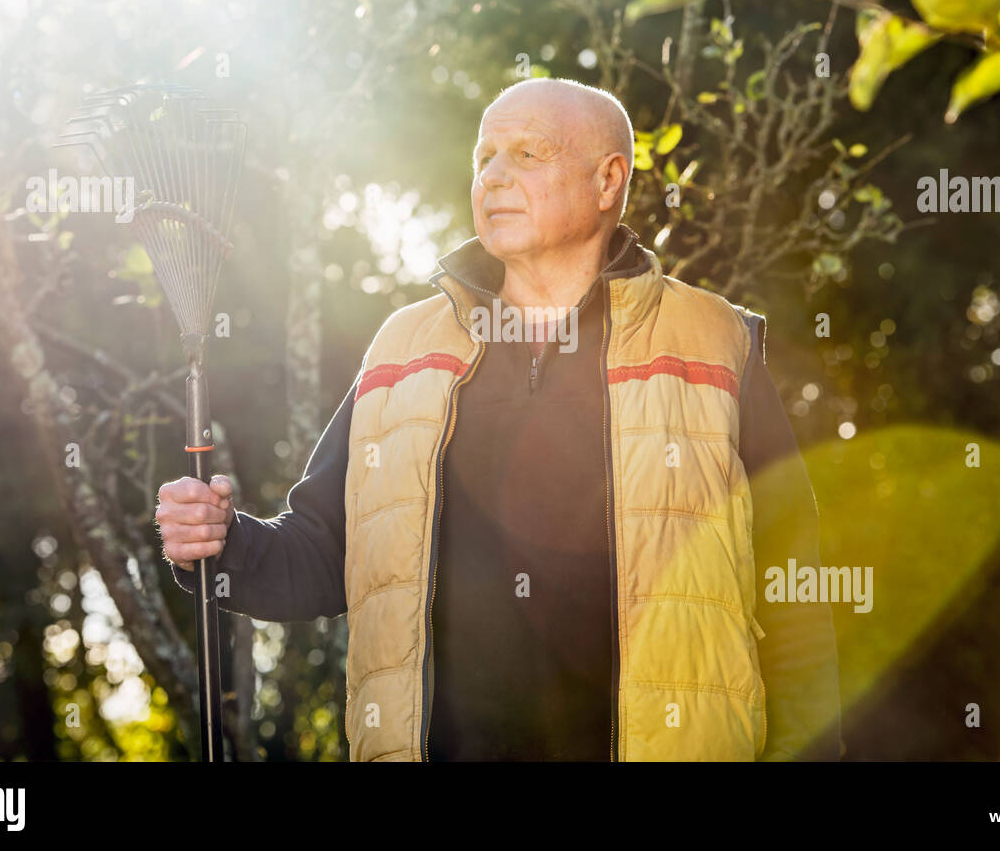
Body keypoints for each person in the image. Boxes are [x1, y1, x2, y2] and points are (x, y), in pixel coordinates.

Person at [157, 77, 841, 761]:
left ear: (609, 180)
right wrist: (224, 545)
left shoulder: (715, 342)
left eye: (527, 154)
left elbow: (792, 599)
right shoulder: (404, 350)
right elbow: (323, 552)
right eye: (484, 158)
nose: (493, 177)